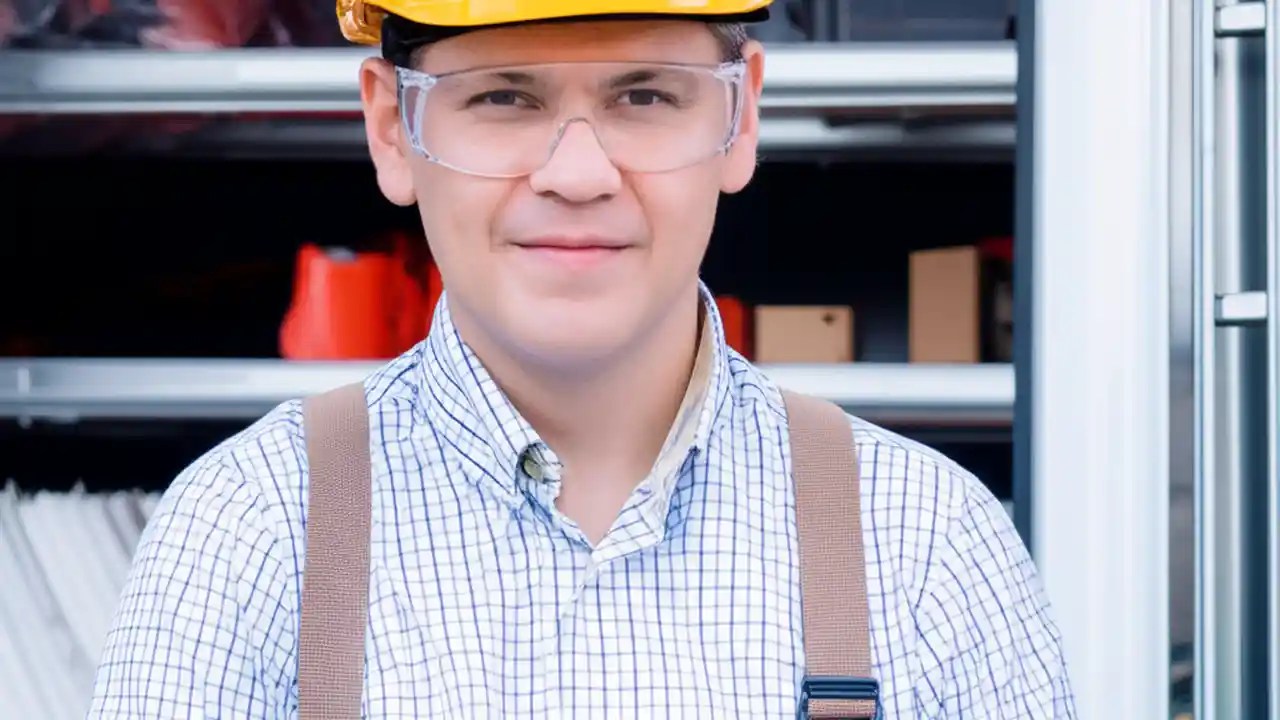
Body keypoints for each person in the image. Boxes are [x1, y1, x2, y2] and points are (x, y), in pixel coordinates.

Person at [87, 0, 1077, 717]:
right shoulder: (250, 535)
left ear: (741, 117)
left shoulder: (924, 545)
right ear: (392, 127)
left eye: (643, 97)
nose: (575, 174)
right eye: (504, 98)